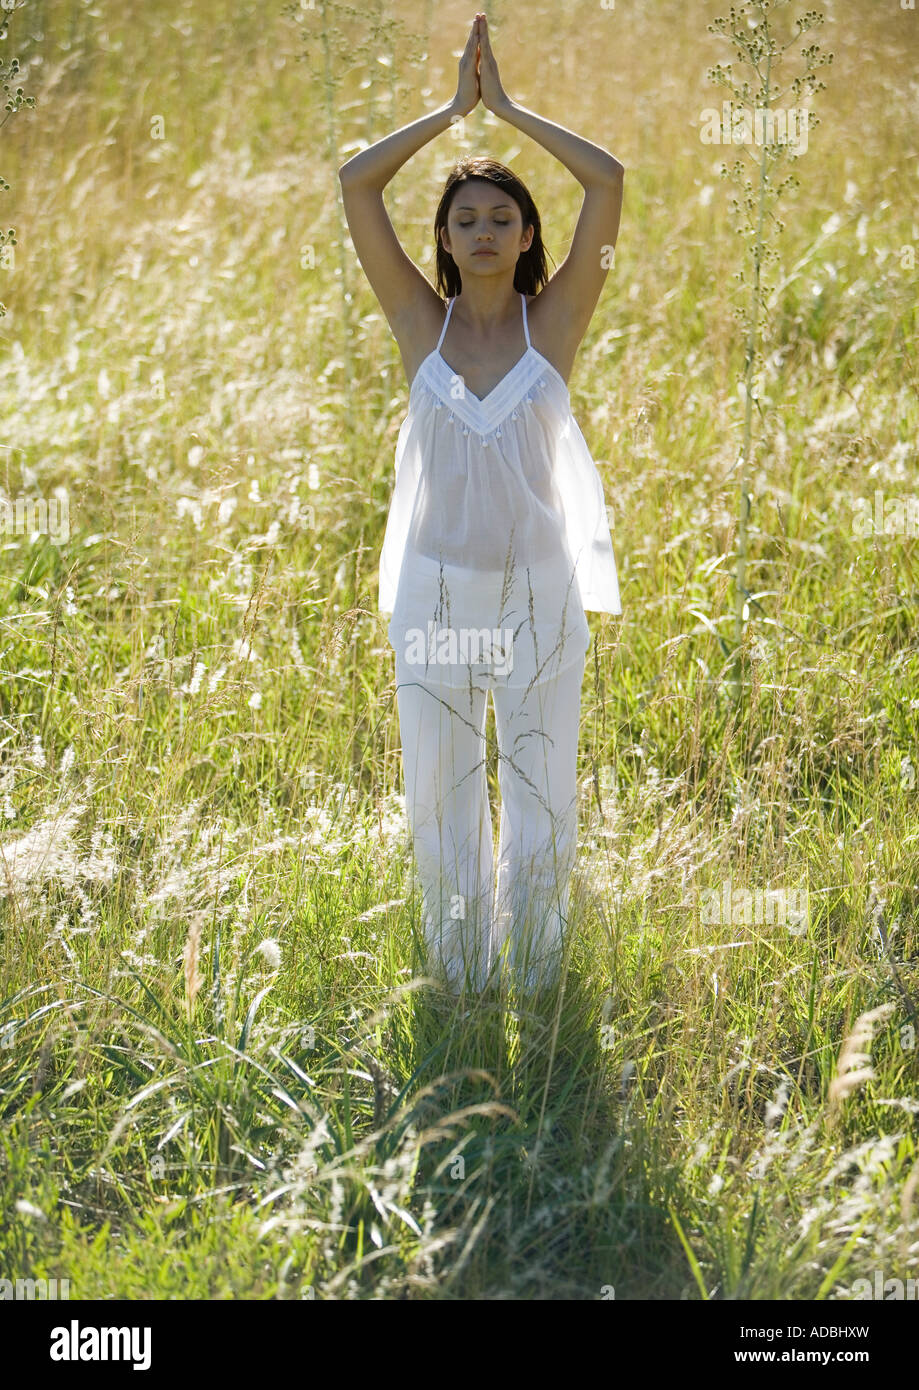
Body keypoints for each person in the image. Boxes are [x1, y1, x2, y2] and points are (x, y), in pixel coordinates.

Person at [339, 13, 624, 995]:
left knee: (543, 791)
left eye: (503, 216)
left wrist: (506, 111)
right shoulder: (420, 323)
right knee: (444, 794)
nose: (485, 231)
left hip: (539, 597)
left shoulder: (557, 325)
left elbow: (609, 180)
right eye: (465, 220)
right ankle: (459, 983)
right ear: (445, 242)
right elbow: (354, 183)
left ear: (529, 233)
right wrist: (448, 113)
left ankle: (539, 985)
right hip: (436, 596)